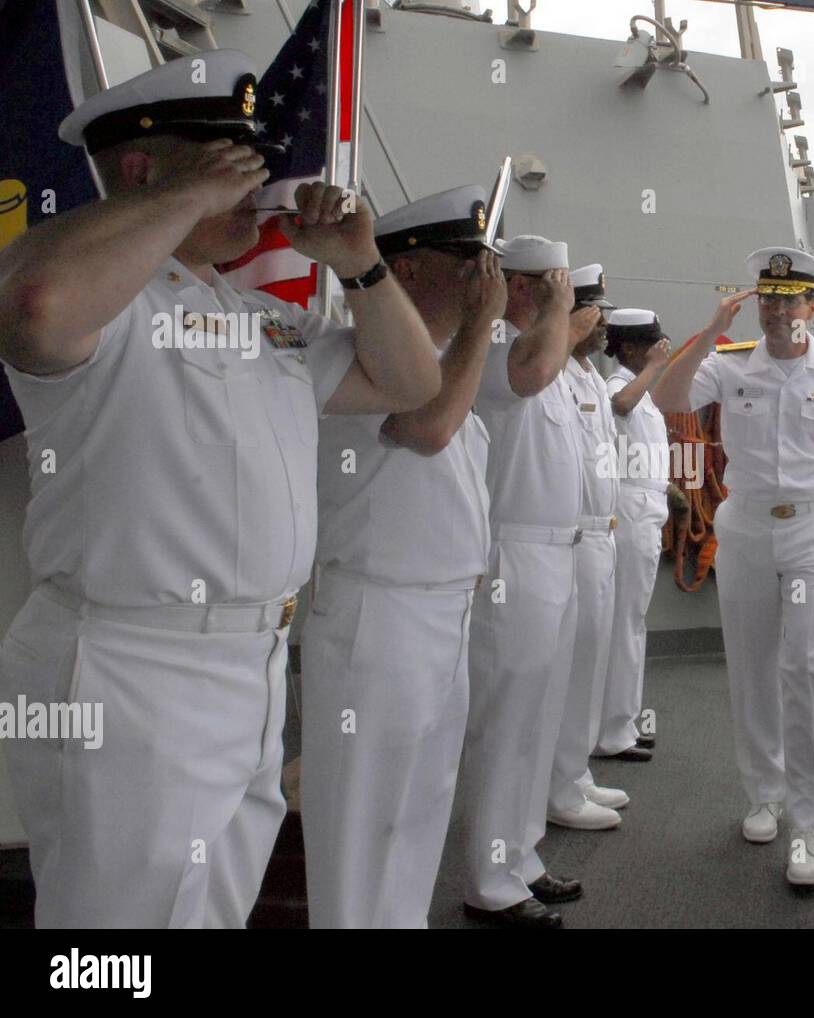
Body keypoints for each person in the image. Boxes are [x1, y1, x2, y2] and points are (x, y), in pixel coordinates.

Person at [0, 51, 440, 928]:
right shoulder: (102, 306)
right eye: (228, 162)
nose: (257, 182)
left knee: (209, 911)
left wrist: (360, 267)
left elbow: (410, 384)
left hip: (252, 664)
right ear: (140, 170)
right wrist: (185, 199)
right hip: (131, 669)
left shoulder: (265, 322)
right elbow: (36, 306)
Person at [300, 187, 502, 927]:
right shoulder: (374, 356)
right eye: (471, 264)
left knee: (416, 817)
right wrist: (482, 325)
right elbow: (426, 428)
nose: (487, 282)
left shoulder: (449, 359)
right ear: (410, 271)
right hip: (377, 617)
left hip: (441, 613)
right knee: (361, 828)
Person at [653, 246, 814, 886]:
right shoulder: (726, 366)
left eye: (793, 299)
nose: (781, 310)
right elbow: (670, 398)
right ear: (757, 304)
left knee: (807, 665)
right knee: (752, 661)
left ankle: (807, 822)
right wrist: (707, 332)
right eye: (770, 299)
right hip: (747, 526)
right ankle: (764, 793)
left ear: (812, 306)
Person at [460, 235, 589, 929]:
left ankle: (521, 854)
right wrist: (560, 312)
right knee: (504, 723)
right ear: (513, 285)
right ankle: (489, 876)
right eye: (542, 283)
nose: (550, 294)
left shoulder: (550, 354)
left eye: (554, 284)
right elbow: (529, 373)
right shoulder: (488, 343)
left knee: (537, 717)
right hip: (512, 555)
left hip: (557, 556)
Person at [545, 264, 627, 830]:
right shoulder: (554, 370)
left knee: (590, 659)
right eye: (596, 312)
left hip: (602, 532)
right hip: (569, 537)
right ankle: (557, 787)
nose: (604, 327)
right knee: (565, 669)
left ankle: (574, 773)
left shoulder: (590, 376)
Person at [592, 310, 672, 765]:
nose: (660, 349)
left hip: (646, 508)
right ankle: (612, 730)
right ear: (628, 348)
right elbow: (619, 404)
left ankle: (622, 721)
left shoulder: (641, 392)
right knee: (623, 622)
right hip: (629, 512)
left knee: (631, 623)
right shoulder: (617, 385)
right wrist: (655, 369)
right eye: (652, 343)